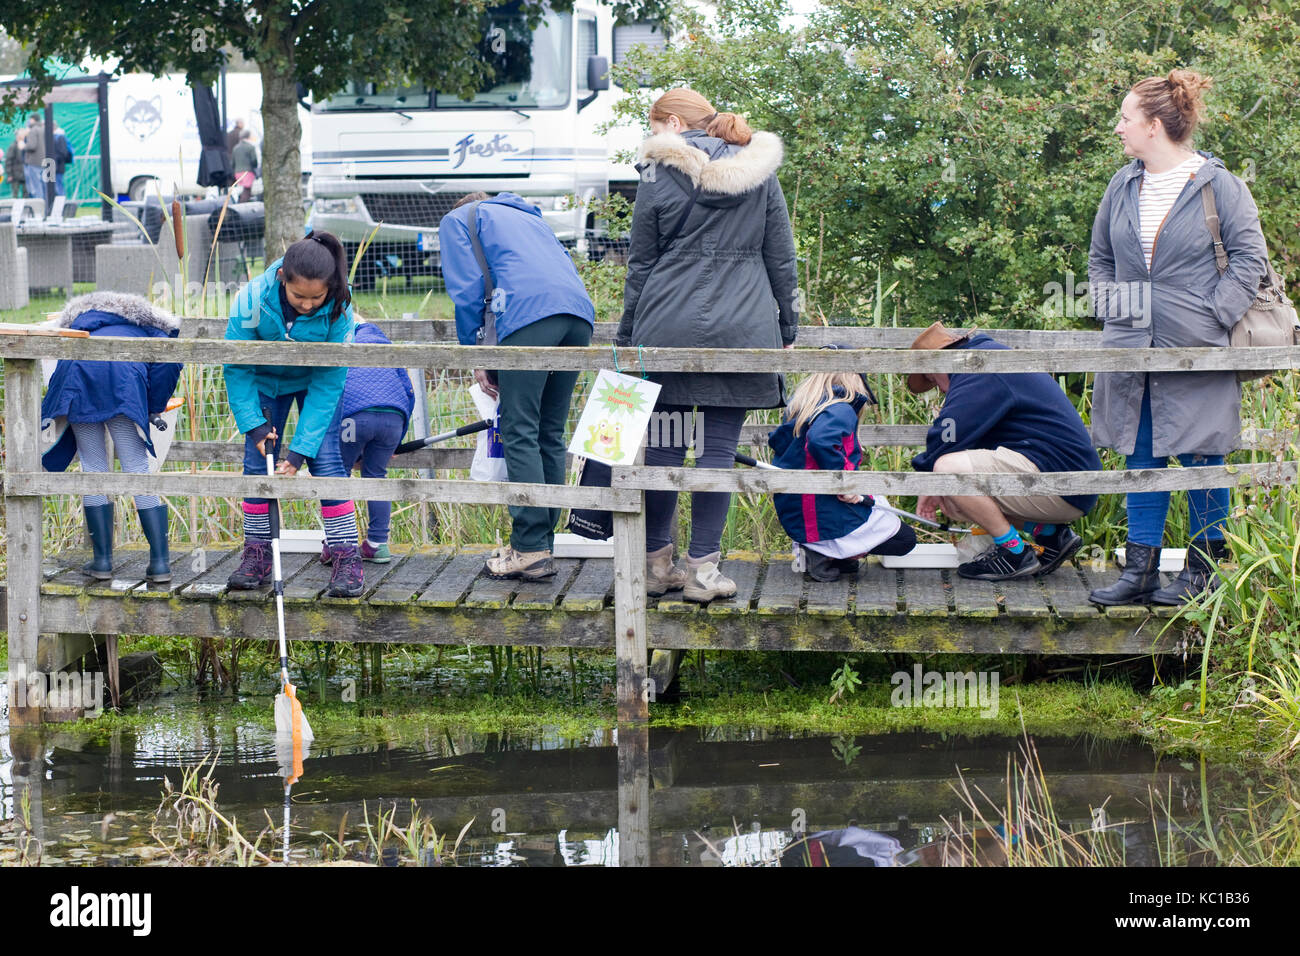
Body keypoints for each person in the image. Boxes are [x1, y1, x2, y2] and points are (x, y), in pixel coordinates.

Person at [1087, 70, 1269, 606]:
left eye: (1124, 118)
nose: (1117, 127)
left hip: (1198, 345)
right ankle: (1138, 572)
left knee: (1203, 455)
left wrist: (1214, 315)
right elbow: (1100, 259)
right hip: (1129, 343)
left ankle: (1204, 572)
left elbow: (1250, 259)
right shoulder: (1121, 185)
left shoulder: (1219, 185)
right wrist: (1109, 306)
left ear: (1153, 125)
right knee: (1139, 454)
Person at [618, 89, 798, 603]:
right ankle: (702, 572)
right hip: (744, 327)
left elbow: (641, 262)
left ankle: (655, 566)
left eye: (654, 125)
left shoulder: (655, 173)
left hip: (665, 324)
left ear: (673, 123)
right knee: (717, 452)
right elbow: (780, 257)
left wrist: (629, 334)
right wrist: (787, 327)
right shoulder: (759, 169)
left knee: (665, 447)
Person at [439, 191, 596, 581]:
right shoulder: (527, 216)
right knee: (549, 431)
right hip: (578, 315)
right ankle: (541, 543)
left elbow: (467, 290)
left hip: (530, 317)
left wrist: (475, 355)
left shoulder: (459, 220)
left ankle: (528, 548)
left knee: (519, 428)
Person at [223, 231, 362, 597]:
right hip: (264, 382)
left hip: (314, 381)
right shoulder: (251, 299)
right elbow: (237, 368)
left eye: (317, 297)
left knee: (328, 462)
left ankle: (346, 554)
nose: (308, 305)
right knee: (258, 467)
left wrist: (301, 450)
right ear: (282, 276)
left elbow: (330, 381)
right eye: (299, 296)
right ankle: (258, 554)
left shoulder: (339, 308)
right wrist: (253, 426)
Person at [908, 322, 1103, 581]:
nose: (941, 390)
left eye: (933, 379)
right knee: (955, 494)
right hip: (1067, 483)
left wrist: (928, 476)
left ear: (938, 364)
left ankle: (1013, 552)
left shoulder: (979, 367)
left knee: (947, 471)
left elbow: (950, 430)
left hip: (1058, 480)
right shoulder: (989, 361)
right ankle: (1050, 535)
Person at [40, 293, 183, 583]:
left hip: (78, 382)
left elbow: (56, 367)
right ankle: (159, 564)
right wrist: (154, 405)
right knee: (137, 467)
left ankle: (102, 561)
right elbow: (169, 364)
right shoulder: (151, 328)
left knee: (93, 465)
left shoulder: (81, 326)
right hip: (122, 386)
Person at [768, 368, 917, 582]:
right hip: (820, 507)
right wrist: (843, 483)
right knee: (904, 539)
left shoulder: (803, 406)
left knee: (878, 511)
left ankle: (834, 555)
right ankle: (820, 553)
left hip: (799, 506)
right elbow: (821, 441)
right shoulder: (840, 409)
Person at [321, 321, 416, 565]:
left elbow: (329, 389)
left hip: (353, 418)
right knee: (376, 476)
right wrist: (398, 438)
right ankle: (377, 544)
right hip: (393, 420)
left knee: (338, 475)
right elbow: (409, 392)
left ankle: (337, 544)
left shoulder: (340, 342)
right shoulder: (387, 347)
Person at [22, 115, 46, 204]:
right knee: (45, 187)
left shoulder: (33, 130)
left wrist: (23, 146)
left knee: (36, 187)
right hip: (46, 161)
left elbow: (31, 146)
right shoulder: (44, 129)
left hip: (34, 162)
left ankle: (39, 208)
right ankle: (47, 208)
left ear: (32, 120)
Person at [232, 128, 258, 202]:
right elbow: (254, 161)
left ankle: (243, 204)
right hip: (247, 171)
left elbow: (233, 162)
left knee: (244, 190)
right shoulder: (250, 147)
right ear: (248, 136)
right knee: (247, 190)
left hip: (237, 172)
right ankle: (242, 205)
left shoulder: (235, 148)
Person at [52, 125, 74, 198]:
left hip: (58, 167)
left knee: (58, 187)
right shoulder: (56, 137)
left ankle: (61, 204)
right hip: (54, 167)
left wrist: (54, 161)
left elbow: (63, 152)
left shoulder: (60, 137)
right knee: (55, 187)